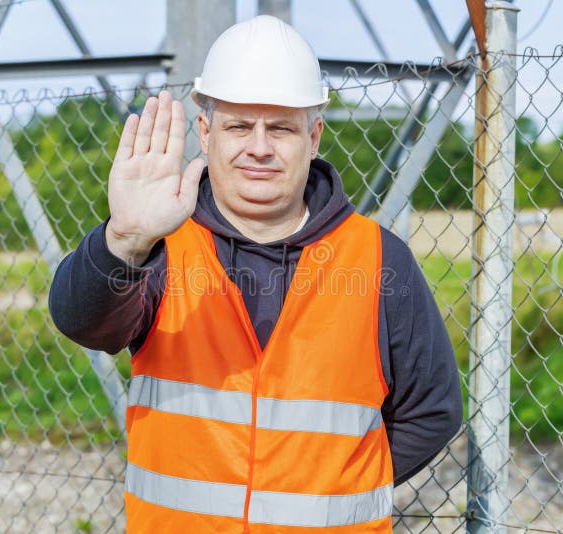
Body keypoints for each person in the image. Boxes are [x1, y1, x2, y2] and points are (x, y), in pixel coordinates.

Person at [49, 15, 462, 533]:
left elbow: (433, 410)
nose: (260, 148)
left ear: (314, 136)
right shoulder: (161, 247)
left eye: (282, 128)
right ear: (206, 131)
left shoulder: (380, 260)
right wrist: (126, 240)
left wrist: (336, 485)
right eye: (240, 126)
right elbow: (82, 323)